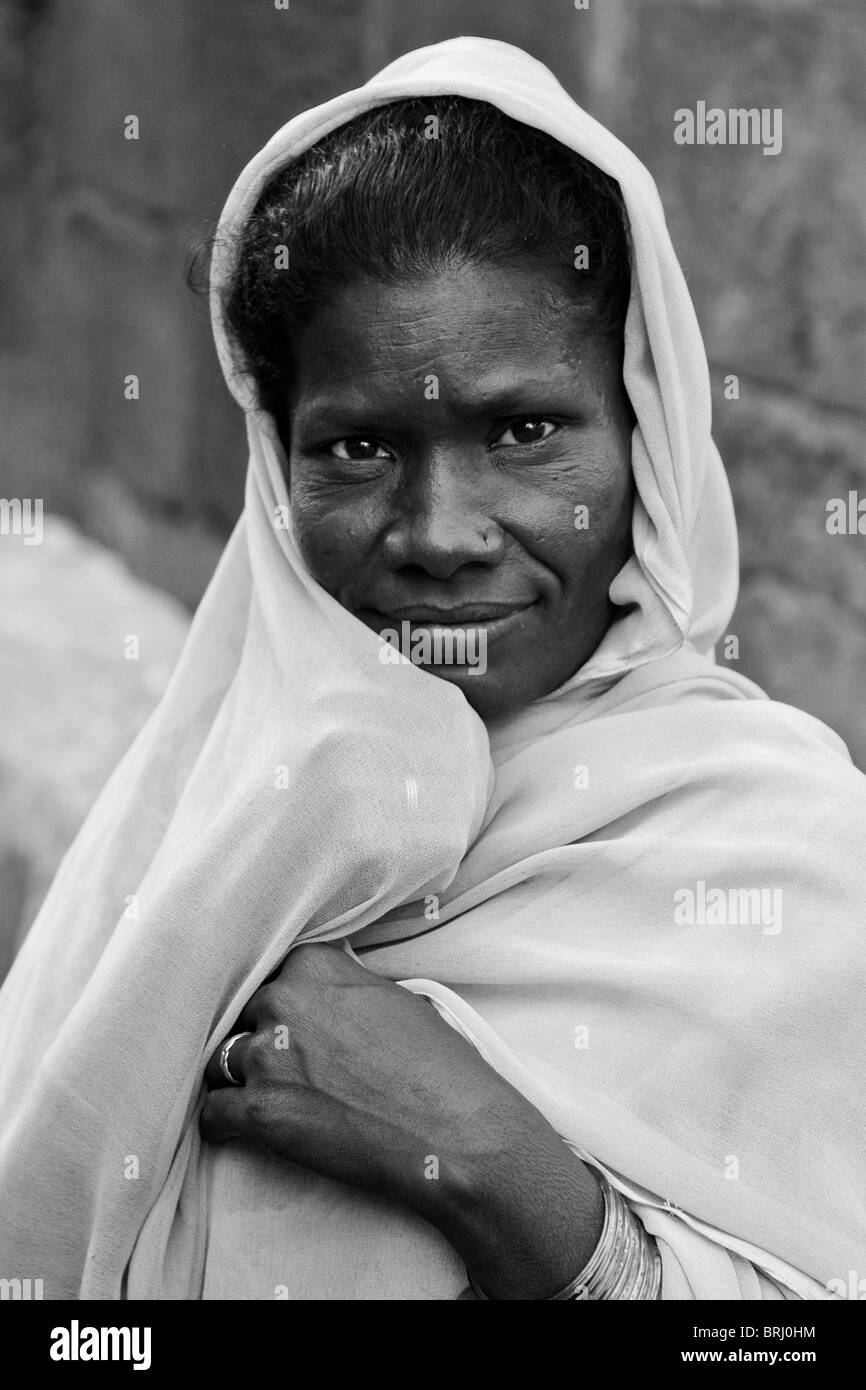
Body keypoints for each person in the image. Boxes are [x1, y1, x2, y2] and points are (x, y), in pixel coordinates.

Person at [0, 36, 863, 1301]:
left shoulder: (790, 865)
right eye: (357, 447)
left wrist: (488, 1158)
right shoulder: (202, 824)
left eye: (523, 431)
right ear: (275, 471)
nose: (440, 534)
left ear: (648, 439)